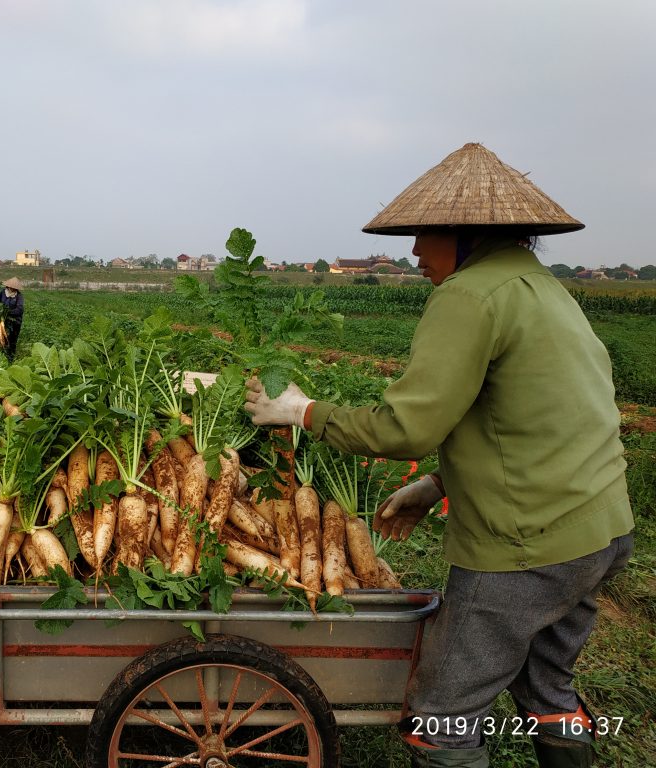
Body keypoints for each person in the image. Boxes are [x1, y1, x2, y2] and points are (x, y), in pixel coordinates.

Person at [244, 143, 634, 768]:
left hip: (526, 547)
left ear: (465, 234)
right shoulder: (543, 290)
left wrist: (304, 413)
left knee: (441, 720)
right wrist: (437, 484)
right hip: (600, 531)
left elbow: (404, 427)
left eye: (424, 235)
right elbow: (534, 418)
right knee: (549, 690)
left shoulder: (469, 296)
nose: (416, 252)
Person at [0, 277, 24, 361]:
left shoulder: (19, 296)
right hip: (3, 321)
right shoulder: (2, 293)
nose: (12, 289)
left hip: (15, 322)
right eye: (11, 287)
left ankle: (11, 357)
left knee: (12, 340)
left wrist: (7, 312)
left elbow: (20, 310)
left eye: (14, 288)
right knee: (1, 339)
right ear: (8, 286)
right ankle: (1, 355)